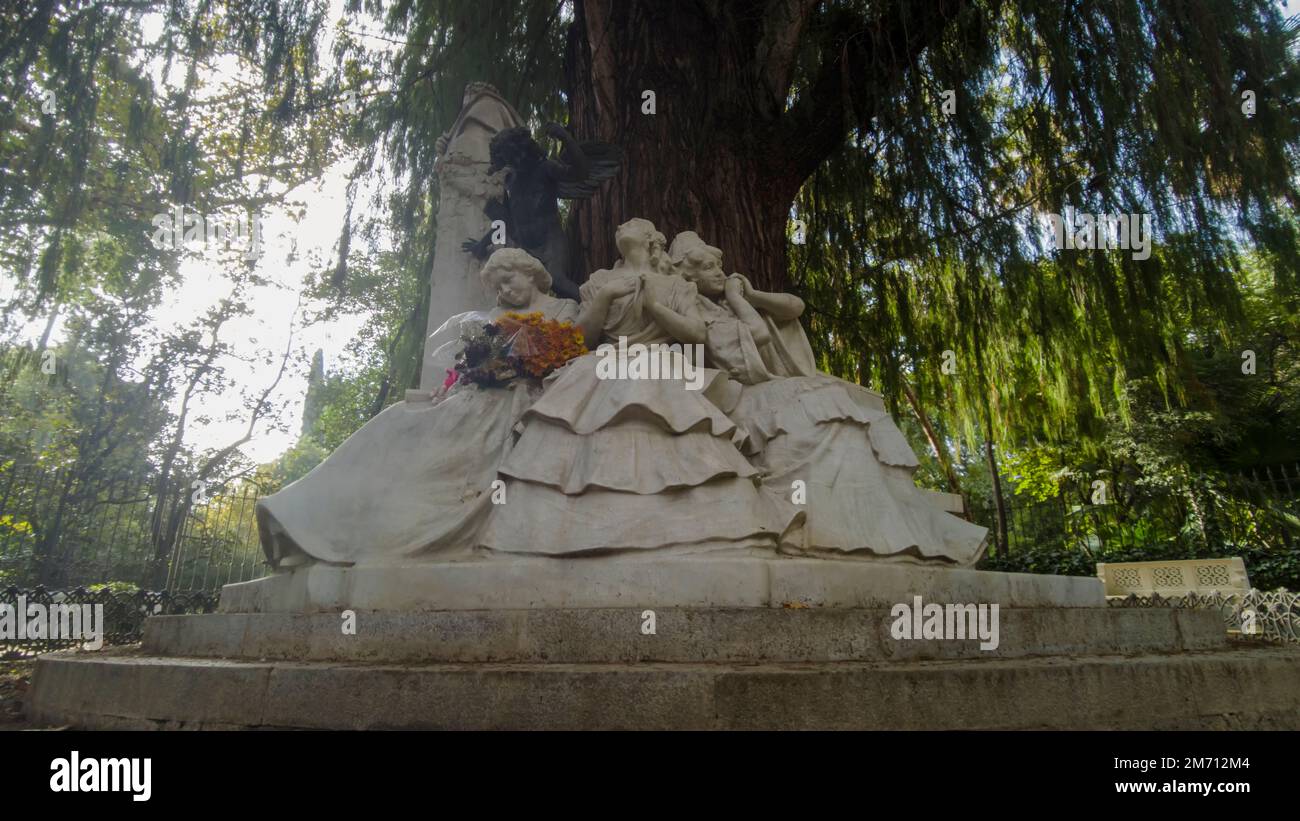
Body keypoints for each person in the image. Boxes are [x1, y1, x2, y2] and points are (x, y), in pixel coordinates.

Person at [479, 218, 799, 557]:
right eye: (618, 225)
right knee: (585, 388)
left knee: (645, 380)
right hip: (602, 360)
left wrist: (656, 308)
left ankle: (667, 517)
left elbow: (696, 334)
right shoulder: (599, 282)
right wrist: (603, 298)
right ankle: (570, 520)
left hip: (664, 358)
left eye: (631, 223)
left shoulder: (677, 284)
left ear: (650, 239)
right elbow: (581, 341)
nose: (620, 226)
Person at [669, 231, 988, 564]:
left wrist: (752, 294)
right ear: (688, 275)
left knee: (840, 416)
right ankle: (826, 533)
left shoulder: (732, 304)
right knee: (825, 415)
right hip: (743, 397)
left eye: (719, 265)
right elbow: (758, 338)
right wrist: (738, 300)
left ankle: (875, 531)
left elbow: (795, 307)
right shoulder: (700, 314)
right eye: (707, 267)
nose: (719, 272)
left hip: (771, 391)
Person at [256, 248, 582, 567]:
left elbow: (565, 354)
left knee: (429, 459)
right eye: (499, 288)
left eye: (509, 281)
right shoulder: (496, 318)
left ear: (530, 272)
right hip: (474, 397)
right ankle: (308, 523)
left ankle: (344, 537)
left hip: (514, 399)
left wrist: (511, 367)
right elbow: (474, 364)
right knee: (395, 422)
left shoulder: (564, 308)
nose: (505, 291)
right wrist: (459, 380)